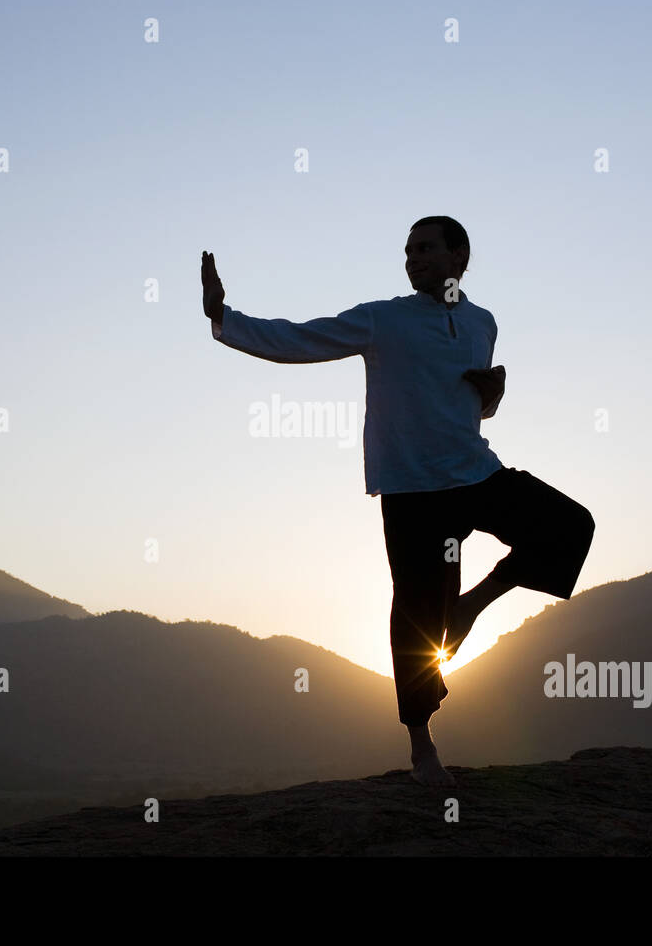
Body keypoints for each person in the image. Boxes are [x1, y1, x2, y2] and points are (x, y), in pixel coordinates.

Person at [202, 216, 594, 786]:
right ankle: (421, 744)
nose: (413, 260)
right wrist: (223, 317)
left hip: (476, 473)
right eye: (408, 252)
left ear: (460, 256)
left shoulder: (483, 322)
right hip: (412, 489)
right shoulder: (382, 319)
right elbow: (301, 339)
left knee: (569, 525)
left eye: (426, 249)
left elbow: (471, 402)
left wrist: (492, 395)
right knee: (414, 616)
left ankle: (473, 606)